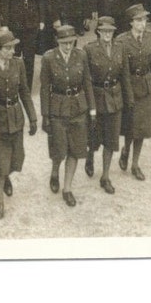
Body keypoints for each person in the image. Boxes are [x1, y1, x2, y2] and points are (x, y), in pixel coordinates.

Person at [0, 26, 37, 220]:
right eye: (8, 48)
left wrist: (33, 117)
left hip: (15, 117)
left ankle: (7, 176)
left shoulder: (18, 64)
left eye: (13, 47)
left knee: (14, 158)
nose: (12, 51)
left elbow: (24, 92)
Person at [39, 22, 97, 208]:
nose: (67, 46)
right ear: (57, 41)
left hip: (78, 108)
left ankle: (67, 188)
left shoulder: (81, 55)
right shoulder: (48, 58)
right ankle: (55, 170)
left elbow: (87, 82)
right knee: (59, 149)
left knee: (76, 149)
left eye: (71, 42)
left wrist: (92, 108)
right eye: (64, 42)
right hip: (57, 108)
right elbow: (44, 89)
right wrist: (45, 115)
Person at [84, 15, 130, 193]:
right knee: (94, 135)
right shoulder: (89, 49)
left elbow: (124, 75)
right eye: (104, 31)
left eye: (110, 31)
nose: (107, 34)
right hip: (96, 97)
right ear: (98, 32)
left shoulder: (120, 48)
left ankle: (105, 176)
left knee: (111, 139)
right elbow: (86, 80)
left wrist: (129, 99)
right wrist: (89, 104)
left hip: (115, 98)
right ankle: (90, 156)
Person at [116, 2, 151, 181]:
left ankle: (135, 164)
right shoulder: (122, 40)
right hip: (129, 87)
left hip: (145, 87)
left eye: (144, 19)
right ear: (131, 23)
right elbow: (121, 69)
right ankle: (126, 150)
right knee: (129, 126)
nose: (142, 24)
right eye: (138, 20)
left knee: (142, 128)